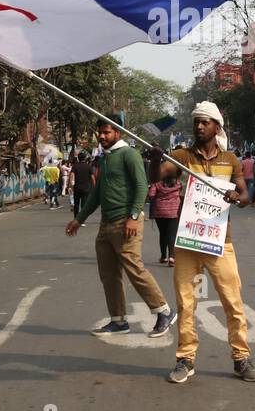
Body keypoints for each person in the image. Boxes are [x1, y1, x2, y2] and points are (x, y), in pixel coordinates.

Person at [158, 101, 255, 384]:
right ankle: (185, 360)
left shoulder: (230, 160)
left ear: (217, 126)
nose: (200, 126)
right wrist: (157, 159)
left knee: (233, 301)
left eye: (205, 122)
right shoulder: (183, 156)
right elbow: (164, 172)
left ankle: (241, 358)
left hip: (220, 242)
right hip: (188, 241)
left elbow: (245, 198)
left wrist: (235, 198)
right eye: (196, 122)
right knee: (186, 303)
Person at [66, 120, 175, 338]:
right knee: (108, 274)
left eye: (106, 132)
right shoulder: (105, 158)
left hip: (125, 221)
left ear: (118, 132)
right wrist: (79, 218)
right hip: (106, 224)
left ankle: (163, 311)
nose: (102, 136)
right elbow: (97, 193)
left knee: (134, 267)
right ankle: (118, 320)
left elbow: (142, 185)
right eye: (99, 132)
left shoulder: (129, 154)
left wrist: (134, 216)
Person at [148, 161, 183, 266]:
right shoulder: (178, 183)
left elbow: (151, 194)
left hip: (160, 211)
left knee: (163, 234)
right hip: (174, 212)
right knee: (172, 234)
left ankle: (163, 256)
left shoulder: (157, 183)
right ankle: (172, 257)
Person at [71, 152, 94, 222]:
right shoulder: (88, 166)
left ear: (78, 158)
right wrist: (94, 187)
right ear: (85, 158)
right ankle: (82, 220)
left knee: (76, 204)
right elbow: (92, 177)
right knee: (84, 205)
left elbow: (72, 175)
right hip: (86, 188)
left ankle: (76, 219)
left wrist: (71, 185)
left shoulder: (75, 166)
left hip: (77, 187)